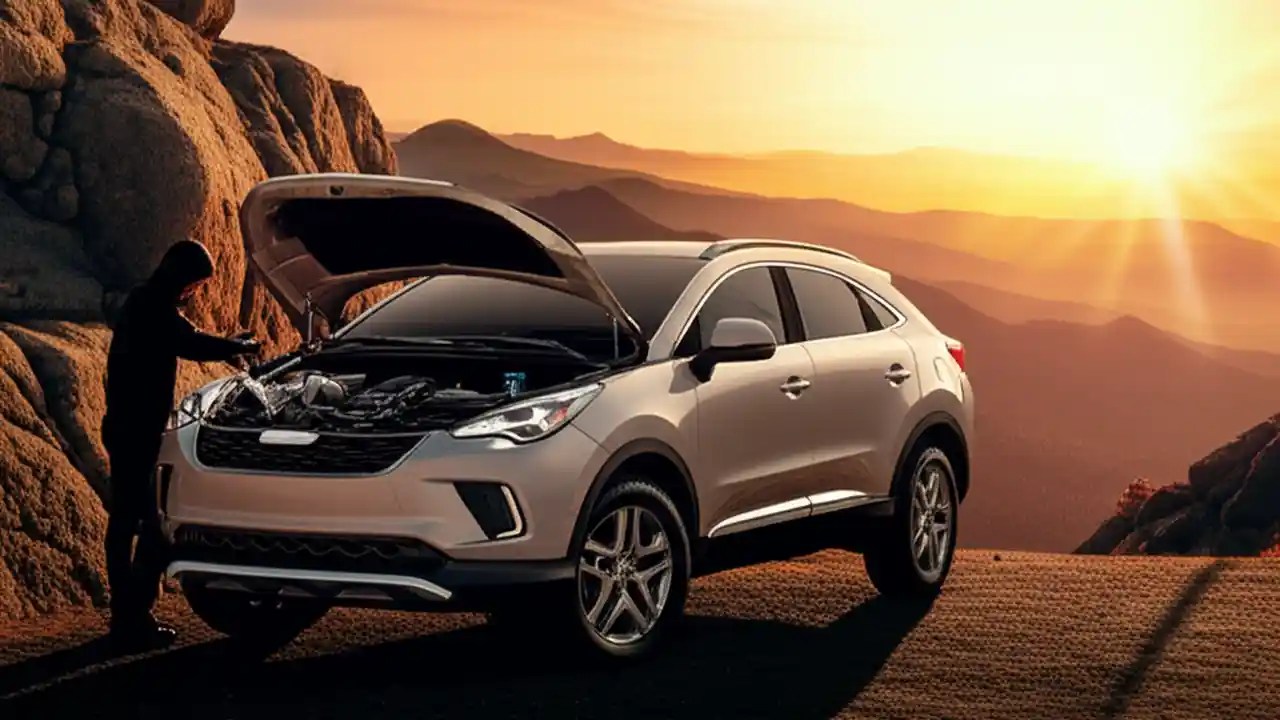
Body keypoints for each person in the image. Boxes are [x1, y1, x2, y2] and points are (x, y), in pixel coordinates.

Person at [102, 239, 260, 650]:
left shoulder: (144, 301)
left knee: (127, 523)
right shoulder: (152, 306)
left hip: (125, 428)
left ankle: (127, 616)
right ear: (183, 279)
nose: (194, 292)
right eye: (196, 285)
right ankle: (132, 618)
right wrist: (239, 347)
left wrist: (230, 344)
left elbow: (188, 337)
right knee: (153, 526)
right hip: (136, 433)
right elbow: (192, 343)